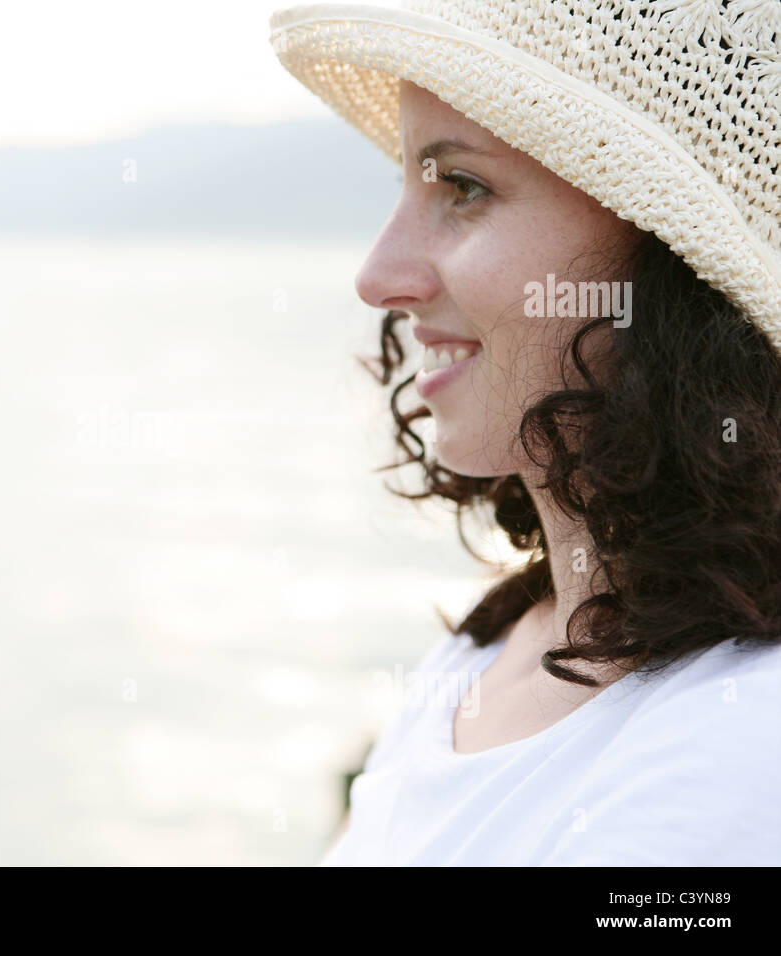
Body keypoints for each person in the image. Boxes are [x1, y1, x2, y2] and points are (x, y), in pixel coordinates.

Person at [269, 0, 781, 864]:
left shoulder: (731, 752)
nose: (378, 276)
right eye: (403, 186)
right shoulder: (493, 648)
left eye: (462, 187)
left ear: (666, 252)